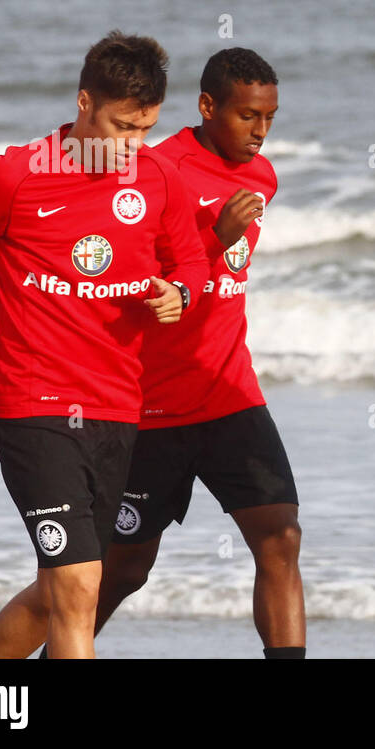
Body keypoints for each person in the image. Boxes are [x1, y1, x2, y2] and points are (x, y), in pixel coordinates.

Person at [0, 31, 209, 658]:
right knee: (77, 588)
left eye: (145, 129)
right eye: (121, 126)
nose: (132, 145)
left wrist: (179, 293)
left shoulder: (157, 178)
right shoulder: (10, 177)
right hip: (33, 402)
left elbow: (190, 262)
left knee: (67, 588)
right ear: (83, 102)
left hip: (116, 404)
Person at [90, 48, 306, 659]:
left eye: (269, 117)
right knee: (124, 569)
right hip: (153, 407)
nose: (260, 132)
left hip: (229, 391)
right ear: (208, 107)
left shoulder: (262, 176)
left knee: (280, 536)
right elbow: (131, 282)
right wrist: (216, 239)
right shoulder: (158, 171)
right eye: (246, 117)